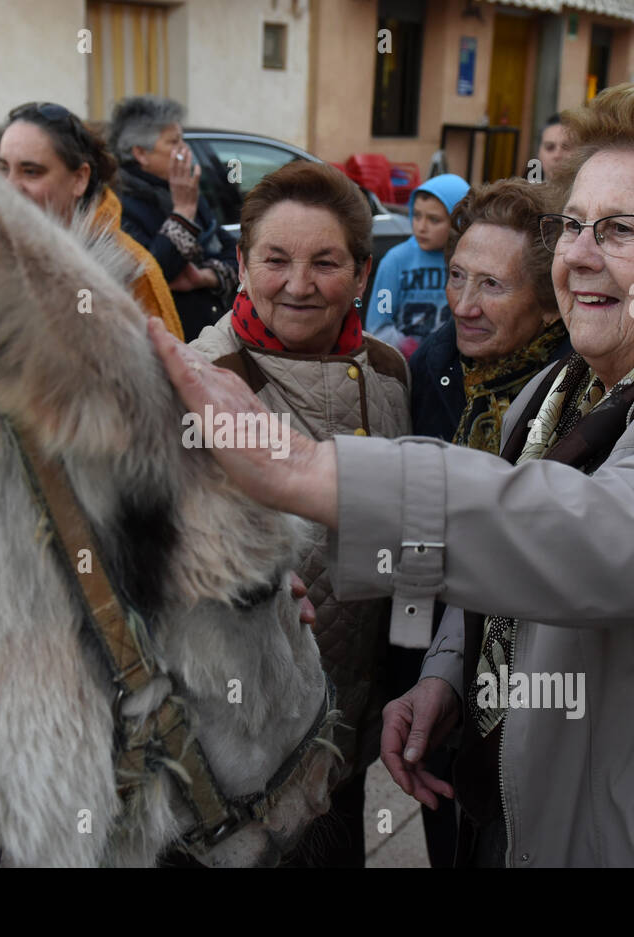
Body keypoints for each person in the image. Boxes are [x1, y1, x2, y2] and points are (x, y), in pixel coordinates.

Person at [146, 82, 634, 867]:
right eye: (572, 225)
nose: (579, 253)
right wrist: (449, 677)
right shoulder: (555, 394)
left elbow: (623, 538)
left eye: (622, 229)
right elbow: (519, 556)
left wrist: (315, 471)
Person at [187, 160, 410, 866]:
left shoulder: (389, 371)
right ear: (241, 264)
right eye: (275, 260)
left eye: (326, 262)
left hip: (356, 720)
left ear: (363, 273)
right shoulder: (202, 383)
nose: (300, 284)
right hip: (239, 749)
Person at [401, 178, 571, 866]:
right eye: (456, 278)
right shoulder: (436, 361)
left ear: (549, 300)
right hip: (433, 661)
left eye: (492, 286)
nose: (464, 306)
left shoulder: (576, 392)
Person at [0, 101, 183, 340]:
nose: (9, 187)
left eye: (31, 171)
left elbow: (171, 371)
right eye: (3, 168)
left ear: (79, 179)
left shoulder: (133, 271)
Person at [108, 95, 238, 340]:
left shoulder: (183, 189)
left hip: (212, 336)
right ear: (141, 154)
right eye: (174, 143)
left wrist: (206, 278)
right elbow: (150, 276)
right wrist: (183, 213)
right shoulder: (119, 205)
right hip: (163, 345)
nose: (185, 151)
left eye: (183, 141)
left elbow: (234, 251)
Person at [364, 173, 469, 358]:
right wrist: (408, 349)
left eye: (434, 220)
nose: (421, 227)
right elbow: (378, 323)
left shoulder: (468, 262)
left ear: (459, 221)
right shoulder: (394, 261)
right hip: (404, 364)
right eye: (417, 215)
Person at [534, 113, 572, 182]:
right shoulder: (521, 192)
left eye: (566, 147)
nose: (557, 155)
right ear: (539, 153)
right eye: (549, 147)